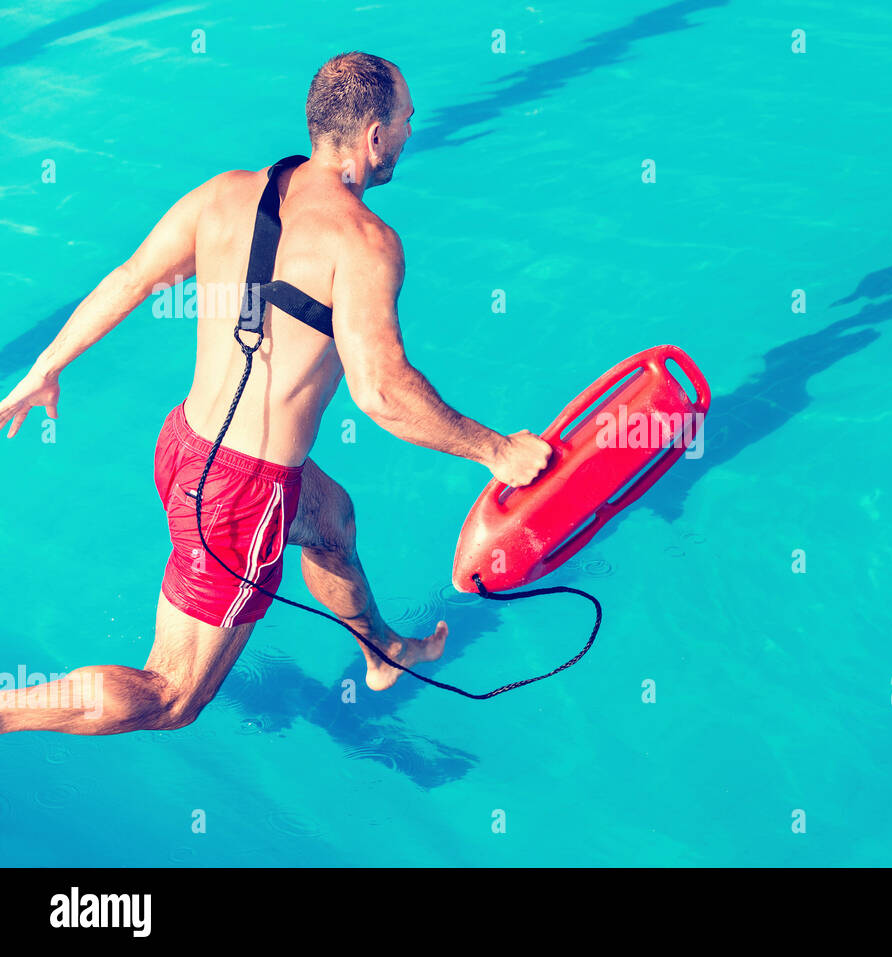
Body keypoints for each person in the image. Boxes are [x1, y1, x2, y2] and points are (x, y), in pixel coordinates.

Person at [0, 52, 551, 735]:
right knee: (172, 694)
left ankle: (381, 653)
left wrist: (43, 368)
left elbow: (132, 277)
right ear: (374, 134)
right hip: (239, 496)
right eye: (407, 118)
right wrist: (496, 451)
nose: (412, 129)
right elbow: (381, 391)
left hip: (183, 445)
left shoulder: (225, 193)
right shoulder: (364, 242)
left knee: (332, 521)